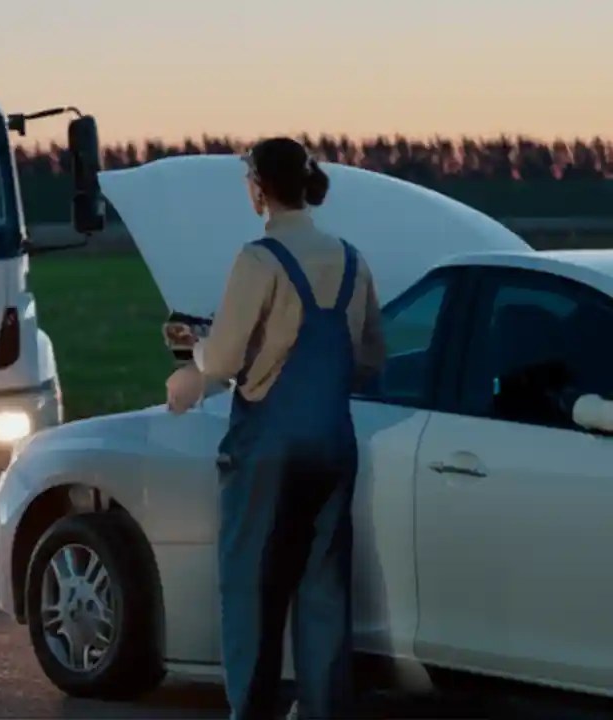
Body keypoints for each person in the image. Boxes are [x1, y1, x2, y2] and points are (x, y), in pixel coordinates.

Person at [164, 138, 386, 719]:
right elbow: (369, 360)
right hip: (333, 446)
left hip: (267, 449)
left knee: (250, 593)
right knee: (323, 593)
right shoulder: (353, 260)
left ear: (259, 189)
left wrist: (197, 352)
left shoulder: (258, 260)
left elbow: (224, 361)